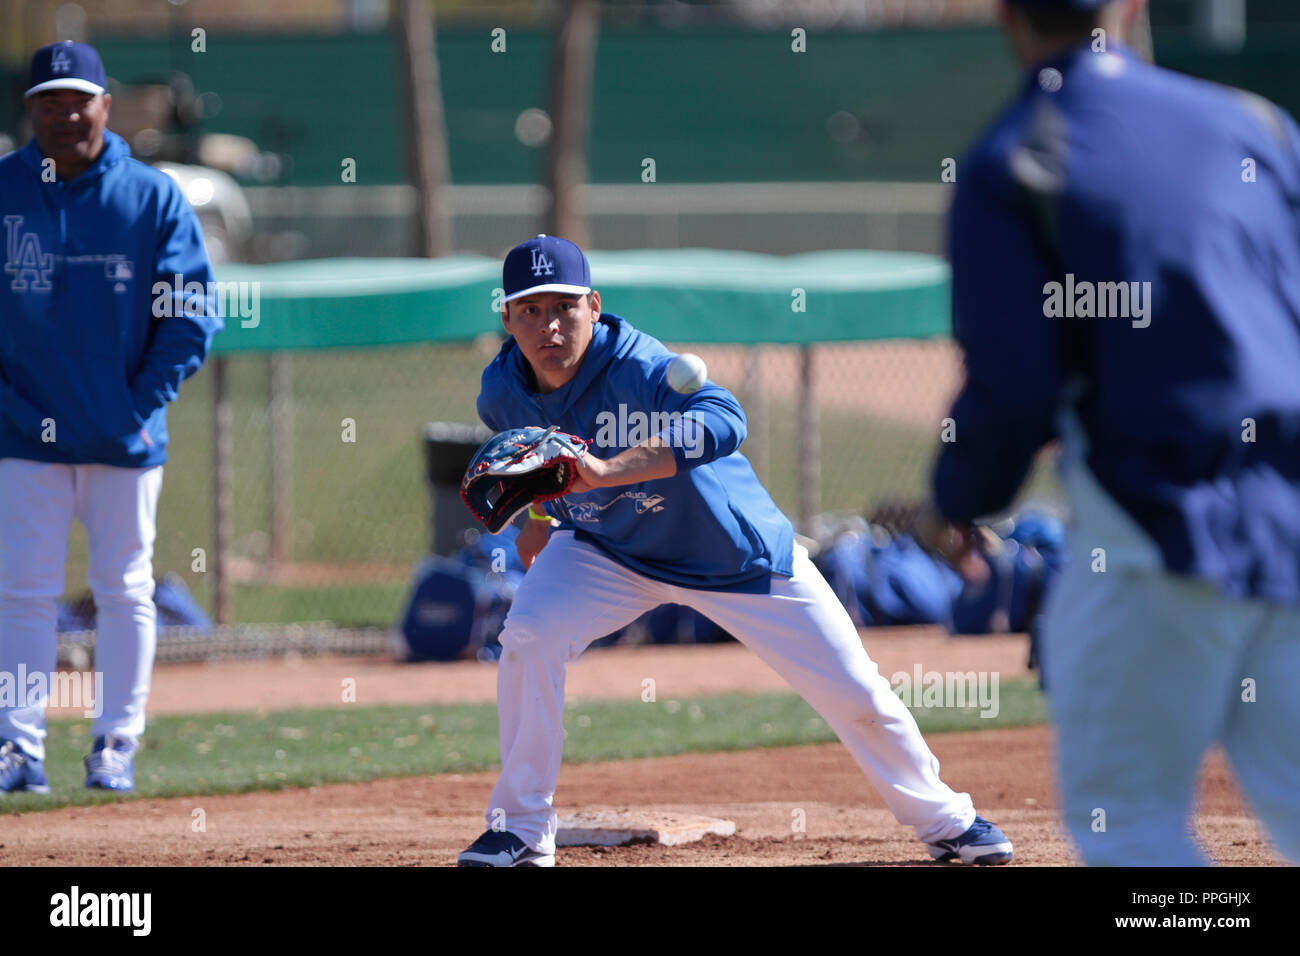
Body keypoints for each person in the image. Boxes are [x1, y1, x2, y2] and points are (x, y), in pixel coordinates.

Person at [456, 234, 1013, 866]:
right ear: (507, 318)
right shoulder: (499, 391)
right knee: (529, 634)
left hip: (733, 558)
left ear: (593, 304)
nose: (548, 325)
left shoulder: (640, 365)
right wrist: (536, 514)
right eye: (530, 310)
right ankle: (521, 831)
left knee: (855, 691)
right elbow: (538, 458)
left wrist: (613, 470)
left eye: (564, 307)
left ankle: (947, 821)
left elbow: (726, 417)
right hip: (607, 549)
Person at [916, 0, 1300, 865]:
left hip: (1152, 536)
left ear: (1005, 16)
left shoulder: (1017, 157)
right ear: (1129, 6)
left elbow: (1014, 386)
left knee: (1128, 826)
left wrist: (958, 498)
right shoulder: (1256, 125)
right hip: (1293, 527)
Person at [0, 42, 223, 793]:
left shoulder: (151, 197)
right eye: (49, 100)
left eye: (78, 98)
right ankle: (17, 746)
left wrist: (138, 403)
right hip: (22, 434)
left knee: (125, 587)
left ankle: (116, 742)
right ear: (30, 109)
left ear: (105, 105)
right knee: (22, 592)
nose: (65, 113)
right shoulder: (4, 191)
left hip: (124, 438)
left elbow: (190, 313)